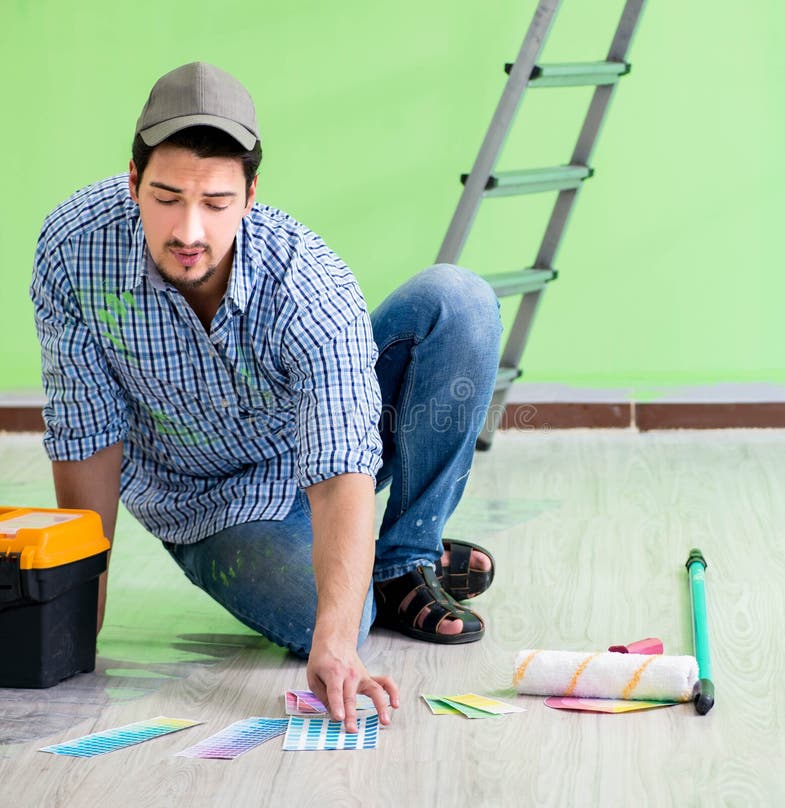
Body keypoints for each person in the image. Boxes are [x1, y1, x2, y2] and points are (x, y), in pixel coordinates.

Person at [31, 62, 502, 731]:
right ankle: (361, 566)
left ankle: (404, 556)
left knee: (460, 303)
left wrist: (334, 648)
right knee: (340, 616)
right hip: (207, 505)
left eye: (216, 204)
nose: (188, 231)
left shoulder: (307, 281)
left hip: (312, 450)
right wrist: (76, 627)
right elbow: (87, 436)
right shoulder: (74, 251)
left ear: (251, 196)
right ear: (133, 181)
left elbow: (341, 459)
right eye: (166, 197)